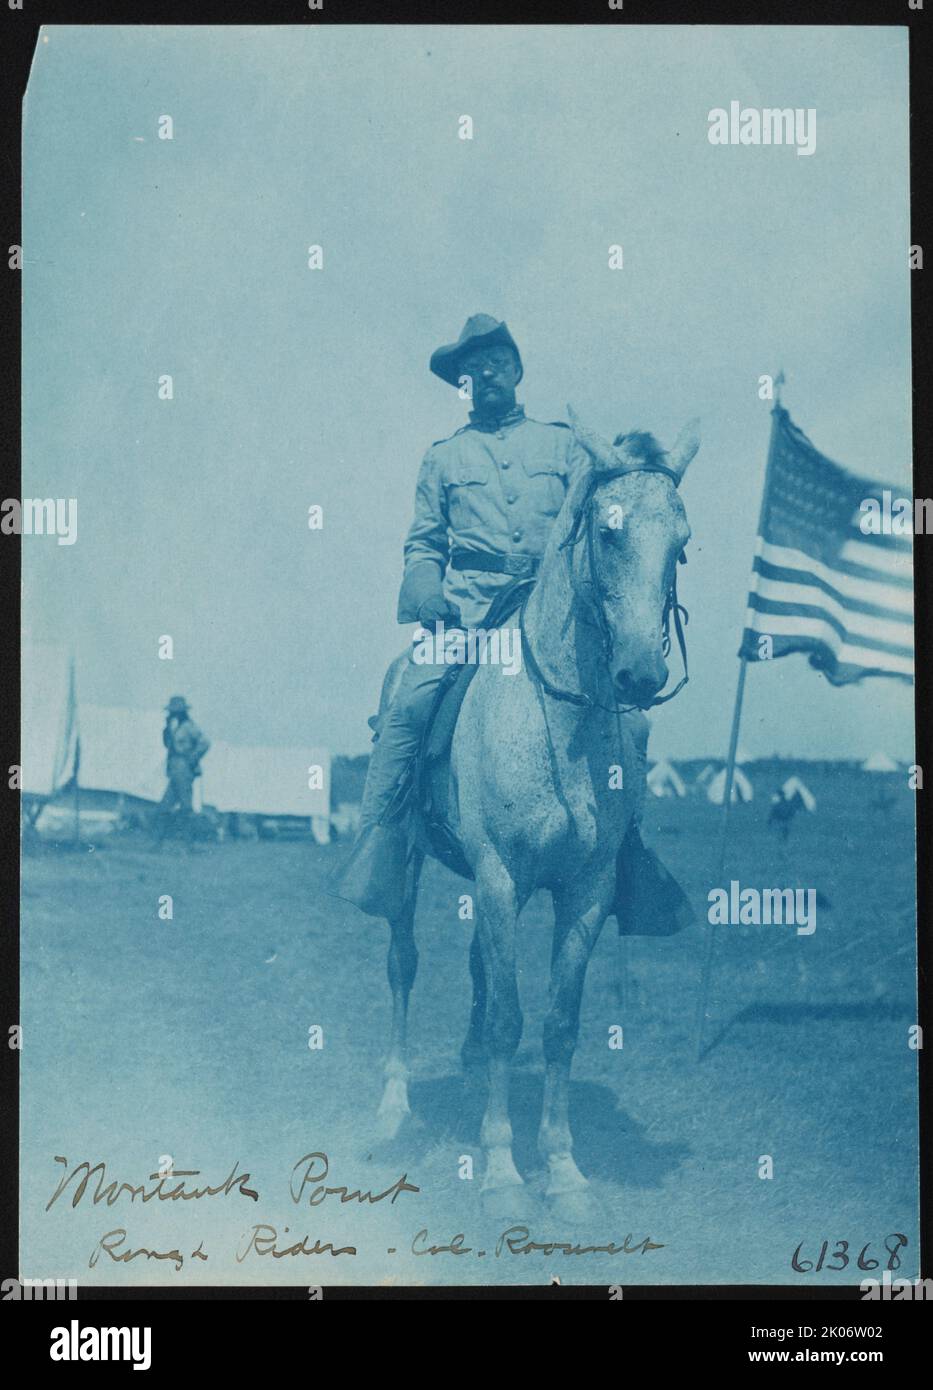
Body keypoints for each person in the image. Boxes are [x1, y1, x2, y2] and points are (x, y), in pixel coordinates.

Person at [335, 314, 691, 933]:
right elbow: (422, 544)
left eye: (497, 362)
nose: (485, 375)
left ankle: (626, 851)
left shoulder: (563, 446)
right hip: (468, 615)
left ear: (518, 371)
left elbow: (614, 499)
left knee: (631, 725)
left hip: (545, 616)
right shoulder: (444, 459)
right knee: (410, 702)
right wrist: (424, 589)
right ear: (462, 386)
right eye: (471, 370)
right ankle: (384, 842)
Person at [155, 696, 210, 843]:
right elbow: (167, 745)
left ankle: (188, 841)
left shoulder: (189, 726)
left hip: (183, 766)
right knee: (165, 806)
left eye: (174, 712)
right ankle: (162, 841)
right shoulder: (175, 728)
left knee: (186, 806)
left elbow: (205, 743)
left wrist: (192, 758)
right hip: (174, 768)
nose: (172, 714)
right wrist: (166, 727)